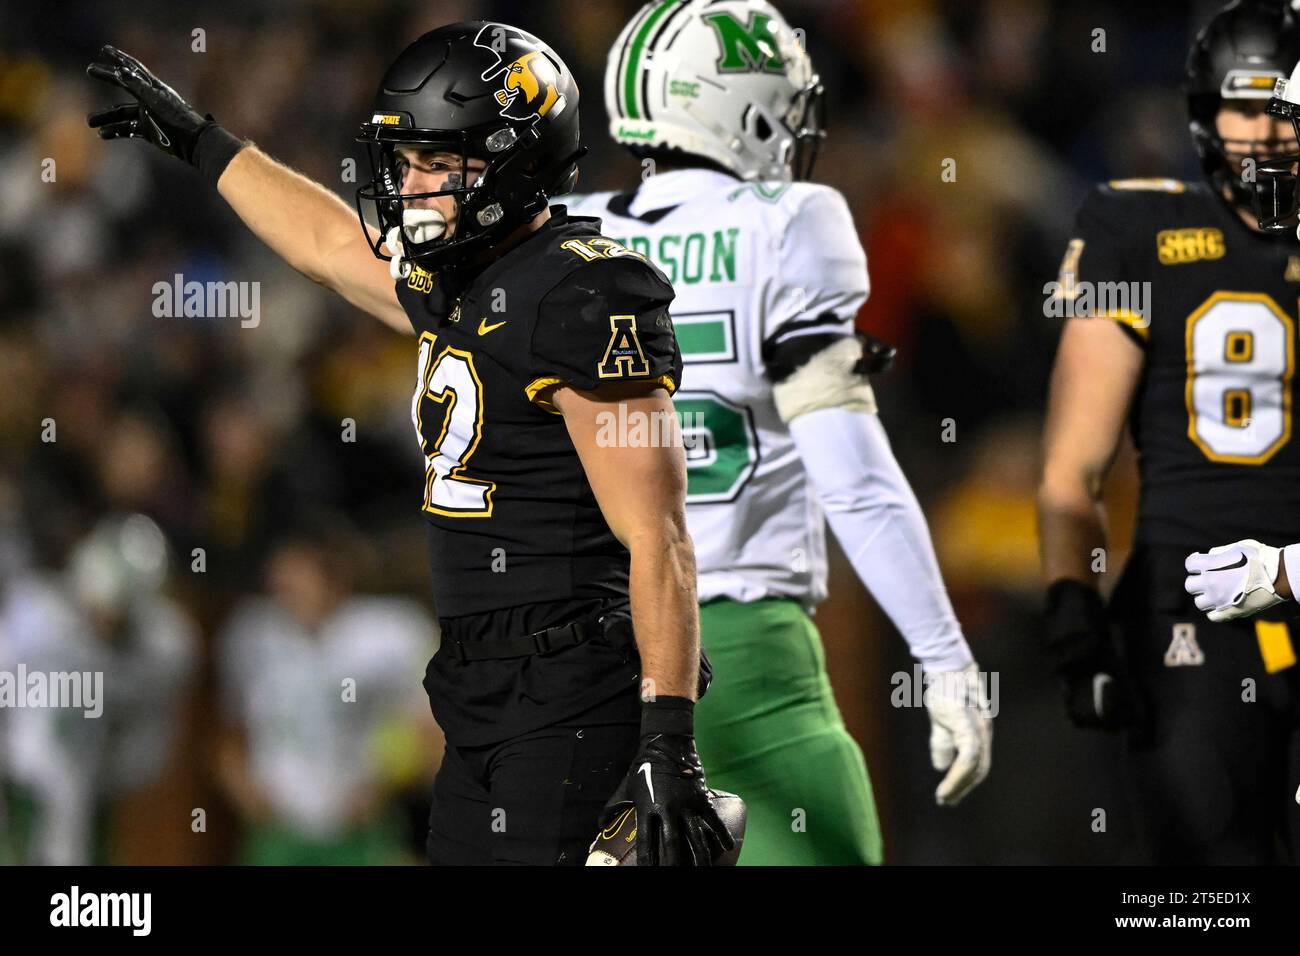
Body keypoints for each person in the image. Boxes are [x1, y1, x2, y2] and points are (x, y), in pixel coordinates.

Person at [86, 20, 733, 865]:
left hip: (572, 686)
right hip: (476, 688)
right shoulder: (458, 278)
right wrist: (200, 142)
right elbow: (324, 243)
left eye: (437, 164)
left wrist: (667, 738)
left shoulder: (583, 292)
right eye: (407, 161)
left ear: (514, 165)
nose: (411, 185)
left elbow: (662, 538)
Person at [568, 0, 992, 865]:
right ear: (741, 108)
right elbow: (853, 478)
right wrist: (945, 656)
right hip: (737, 651)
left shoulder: (565, 235)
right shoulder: (788, 222)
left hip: (578, 662)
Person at [1038, 0, 1300, 863]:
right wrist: (1074, 604)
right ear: (1204, 115)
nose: (1269, 131)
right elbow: (1074, 466)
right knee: (1205, 884)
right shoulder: (1137, 228)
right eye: (1248, 106)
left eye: (1289, 109)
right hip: (1193, 605)